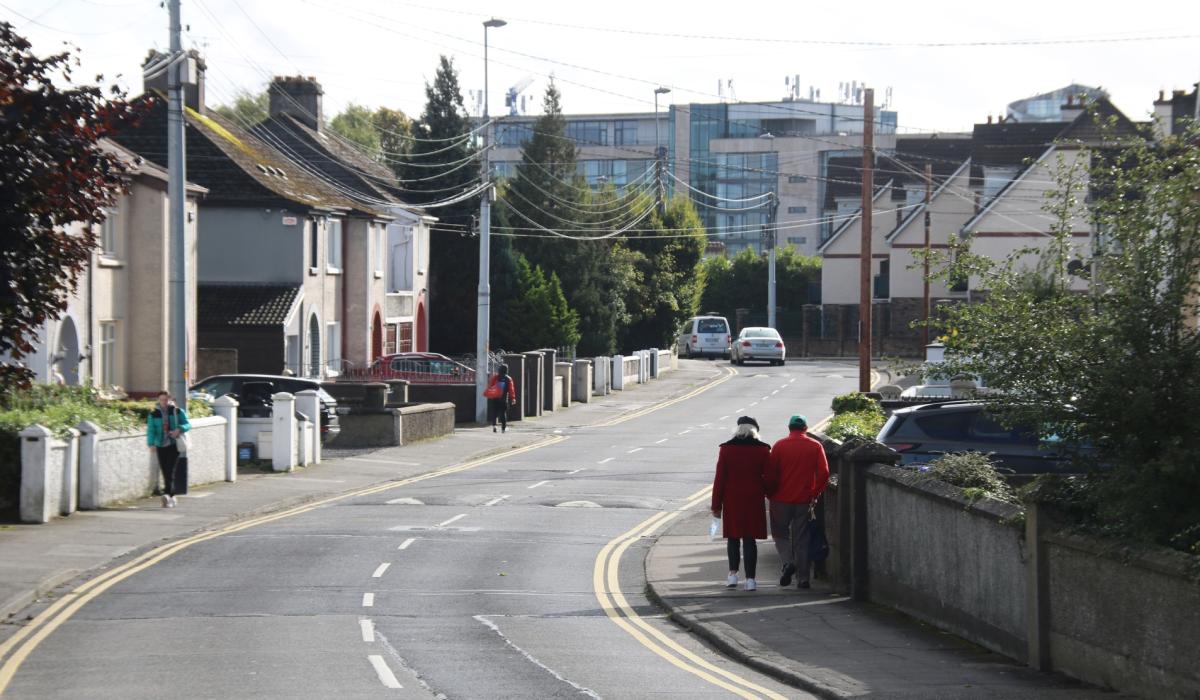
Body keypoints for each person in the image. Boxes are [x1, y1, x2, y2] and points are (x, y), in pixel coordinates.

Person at [765, 414, 829, 589]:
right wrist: (814, 493)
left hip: (780, 499)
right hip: (803, 500)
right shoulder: (815, 446)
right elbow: (824, 473)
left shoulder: (779, 445)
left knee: (780, 534)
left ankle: (787, 562)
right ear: (805, 429)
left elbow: (771, 474)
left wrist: (769, 493)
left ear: (789, 428)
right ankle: (803, 579)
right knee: (802, 539)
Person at [711, 416, 770, 591]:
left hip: (732, 499)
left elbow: (720, 479)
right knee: (750, 539)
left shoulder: (726, 449)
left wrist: (716, 506)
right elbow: (770, 478)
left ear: (738, 429)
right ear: (755, 430)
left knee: (733, 538)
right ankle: (751, 580)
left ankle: (733, 576)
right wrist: (769, 494)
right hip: (753, 499)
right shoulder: (763, 450)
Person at [146, 391, 190, 508]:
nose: (163, 402)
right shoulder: (154, 414)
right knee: (165, 470)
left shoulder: (177, 411)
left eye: (165, 400)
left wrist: (179, 429)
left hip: (173, 444)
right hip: (160, 445)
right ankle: (171, 496)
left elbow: (187, 424)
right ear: (158, 400)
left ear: (169, 399)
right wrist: (151, 444)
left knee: (170, 470)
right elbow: (151, 430)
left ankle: (167, 494)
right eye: (161, 400)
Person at [485, 364, 517, 433]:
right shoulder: (509, 378)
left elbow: (490, 386)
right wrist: (513, 398)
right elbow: (511, 390)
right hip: (503, 398)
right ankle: (503, 428)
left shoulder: (495, 377)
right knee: (503, 413)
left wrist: (490, 394)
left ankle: (494, 426)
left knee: (494, 412)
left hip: (495, 397)